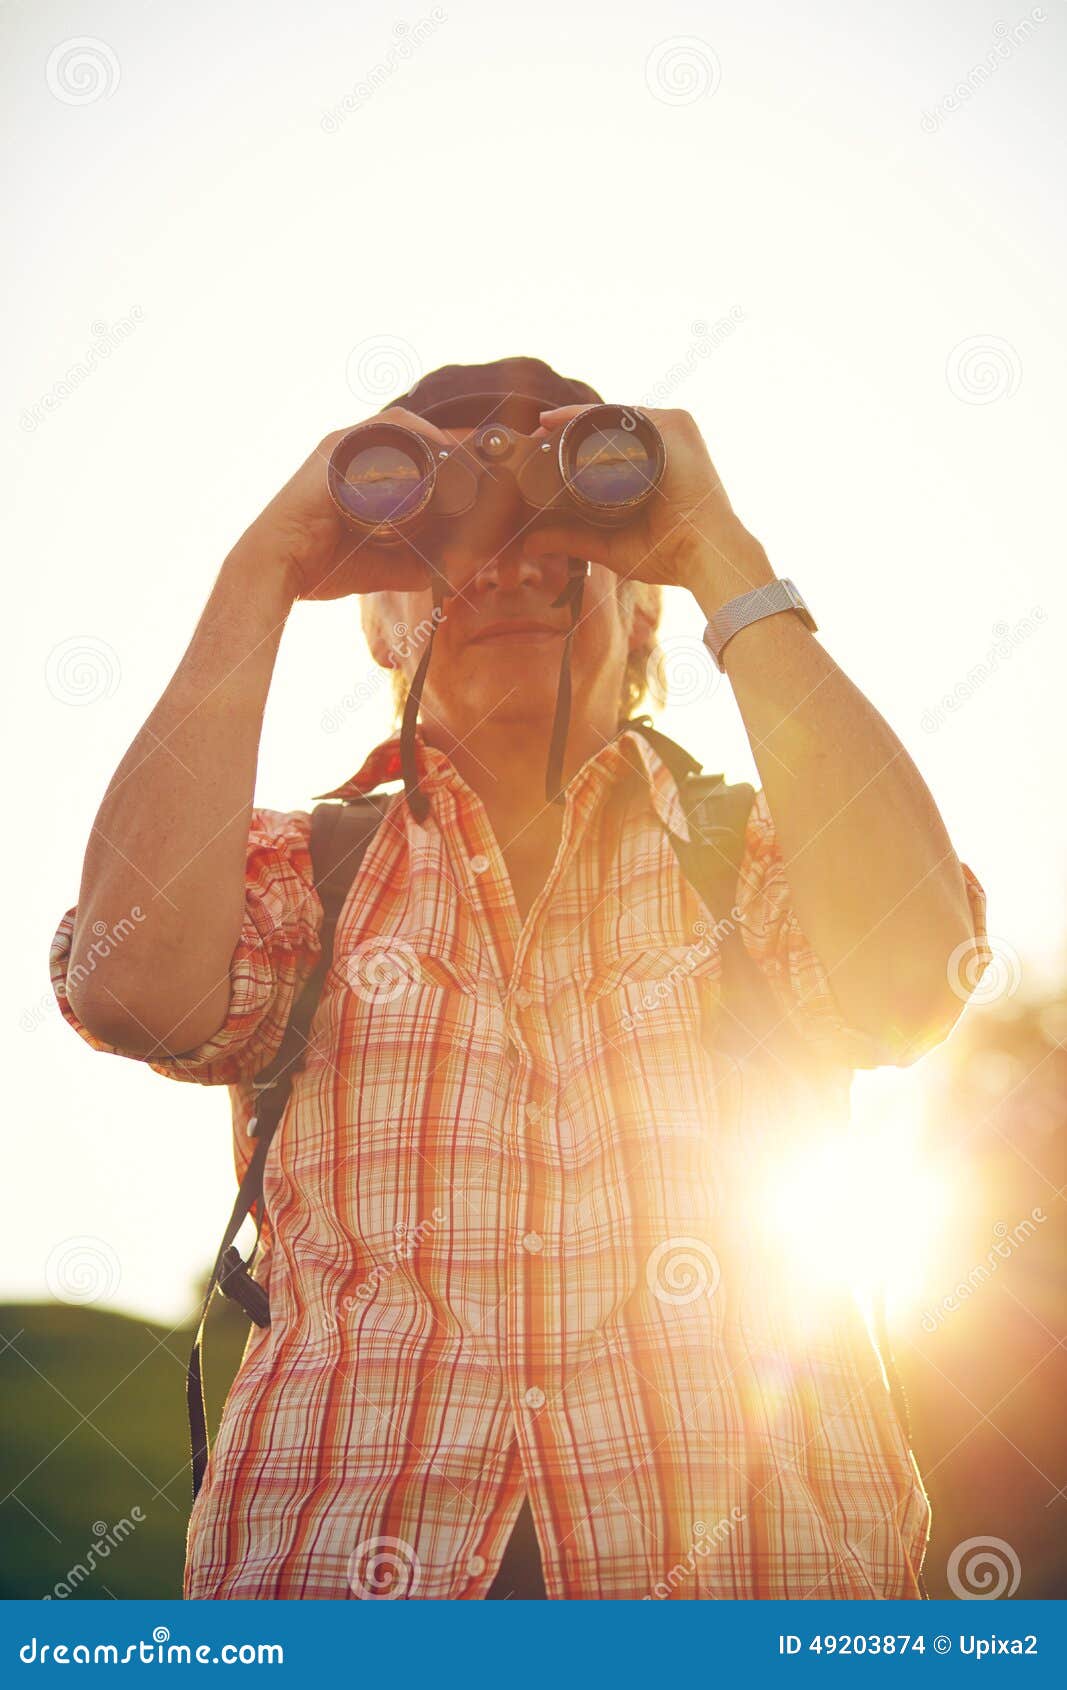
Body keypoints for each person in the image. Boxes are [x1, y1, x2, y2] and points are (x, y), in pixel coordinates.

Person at [50, 355, 988, 1600]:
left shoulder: (766, 857)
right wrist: (260, 573)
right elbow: (135, 988)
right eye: (435, 535)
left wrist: (718, 549)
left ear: (643, 608)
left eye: (560, 530)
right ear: (380, 617)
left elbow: (911, 976)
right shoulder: (299, 877)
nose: (497, 561)